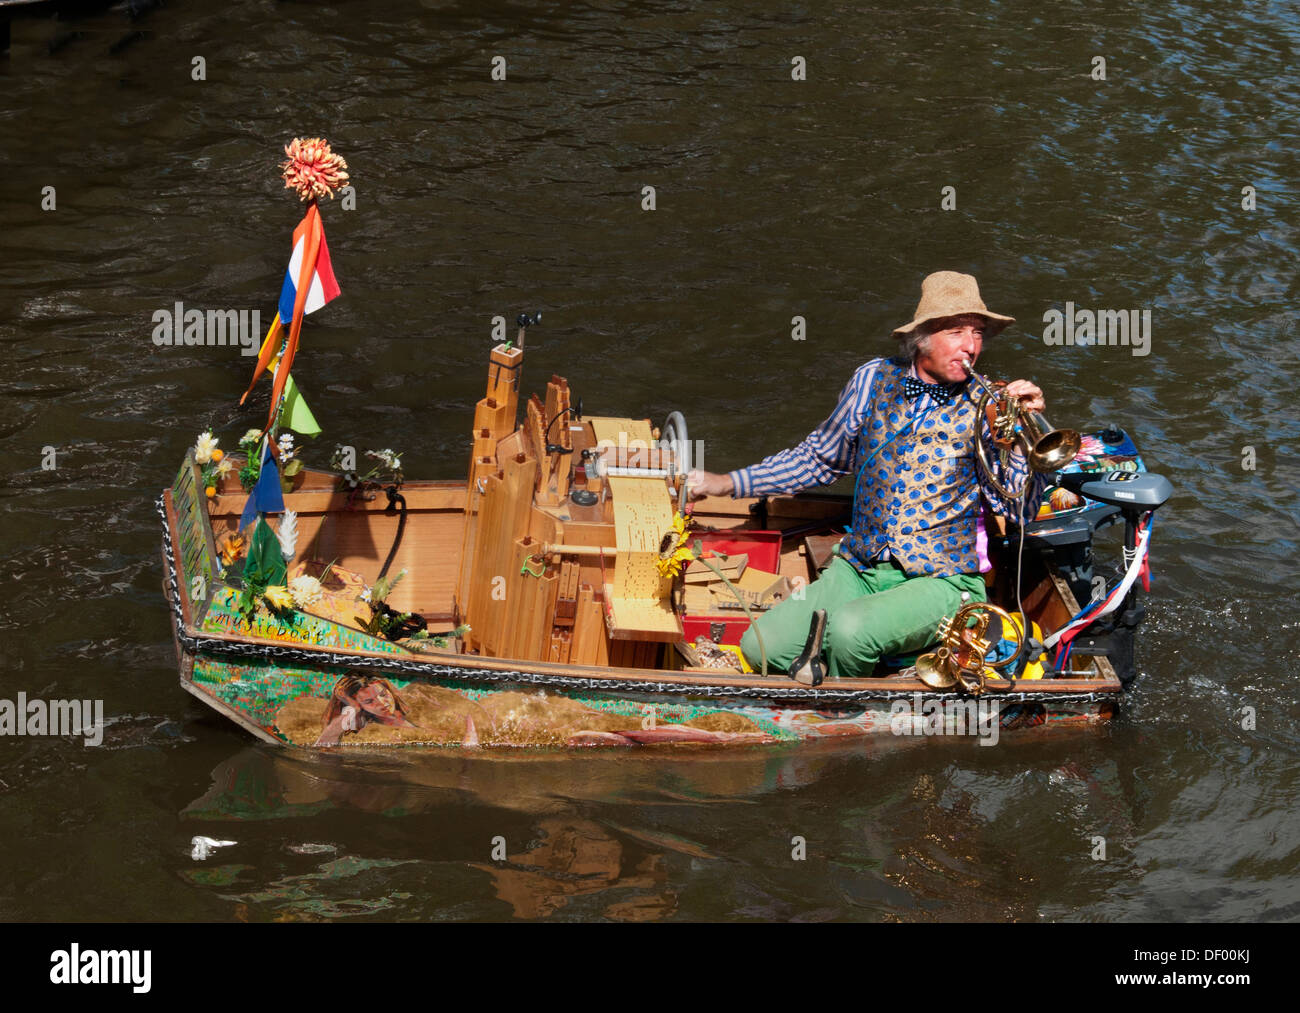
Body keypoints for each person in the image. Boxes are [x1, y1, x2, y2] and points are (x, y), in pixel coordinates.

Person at [687, 271, 1051, 680]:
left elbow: (1017, 509)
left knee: (850, 634)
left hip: (945, 579)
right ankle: (867, 659)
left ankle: (845, 719)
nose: (971, 346)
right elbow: (817, 459)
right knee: (760, 647)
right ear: (922, 338)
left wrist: (1021, 442)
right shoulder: (871, 379)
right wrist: (726, 483)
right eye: (956, 331)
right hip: (860, 566)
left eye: (978, 333)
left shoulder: (988, 405)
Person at [315, 672, 416, 746]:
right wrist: (354, 706)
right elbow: (323, 744)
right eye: (369, 702)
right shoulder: (366, 726)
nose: (382, 703)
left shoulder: (413, 703)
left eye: (383, 694)